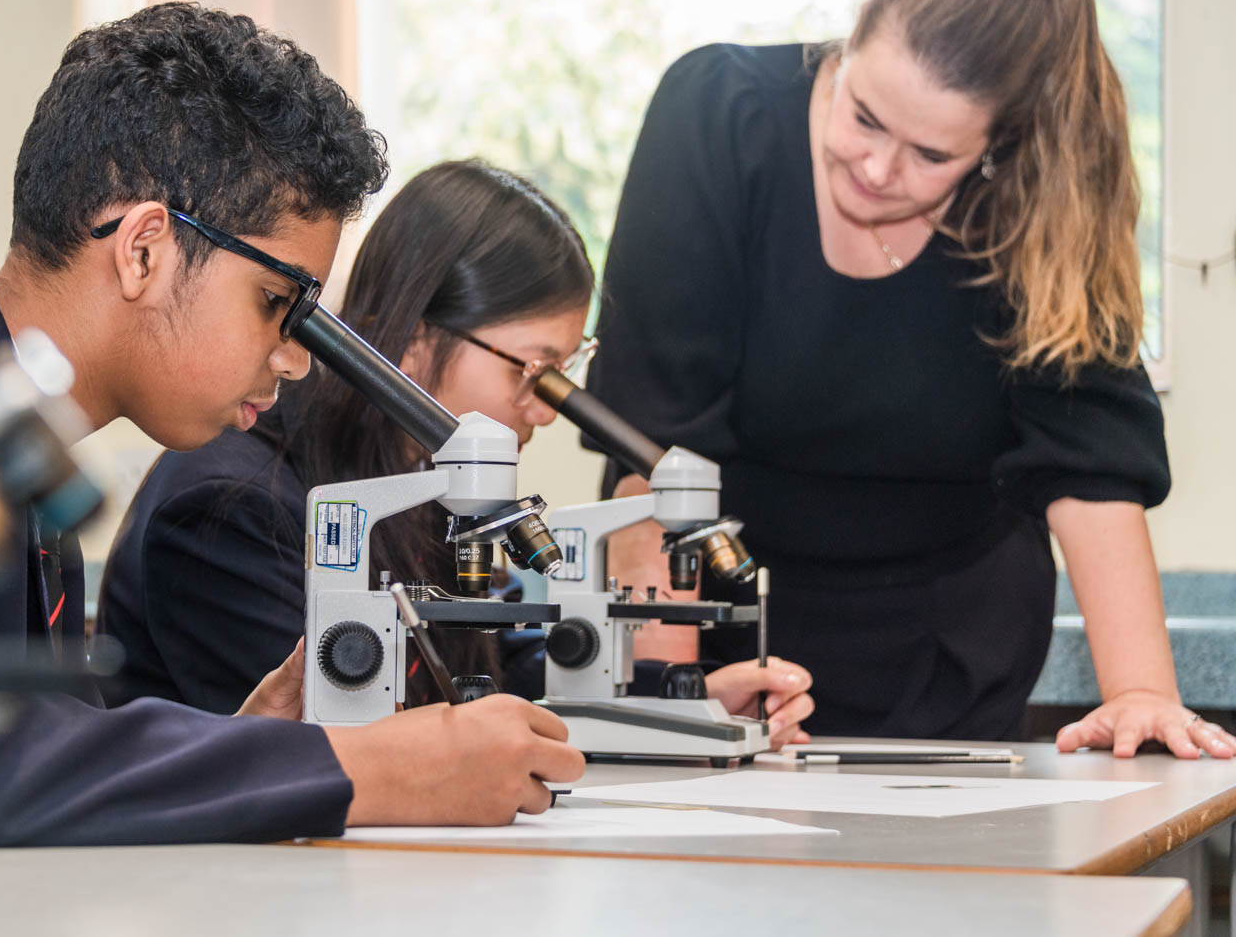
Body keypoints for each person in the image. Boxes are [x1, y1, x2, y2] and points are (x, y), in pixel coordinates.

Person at [0, 4, 584, 882]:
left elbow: (26, 764)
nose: (295, 361)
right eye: (277, 303)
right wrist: (354, 768)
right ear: (143, 249)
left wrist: (252, 746)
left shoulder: (8, 430)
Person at [585, 0, 1236, 759]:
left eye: (931, 155)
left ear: (998, 147)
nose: (877, 168)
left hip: (952, 646)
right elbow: (653, 456)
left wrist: (1142, 694)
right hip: (728, 619)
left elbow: (1092, 464)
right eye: (864, 116)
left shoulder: (1036, 199)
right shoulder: (717, 117)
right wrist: (662, 713)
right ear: (854, 34)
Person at [97, 158, 815, 747]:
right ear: (412, 342)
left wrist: (681, 705)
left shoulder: (419, 486)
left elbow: (496, 665)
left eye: (564, 374)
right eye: (531, 372)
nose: (545, 411)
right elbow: (343, 746)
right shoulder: (230, 509)